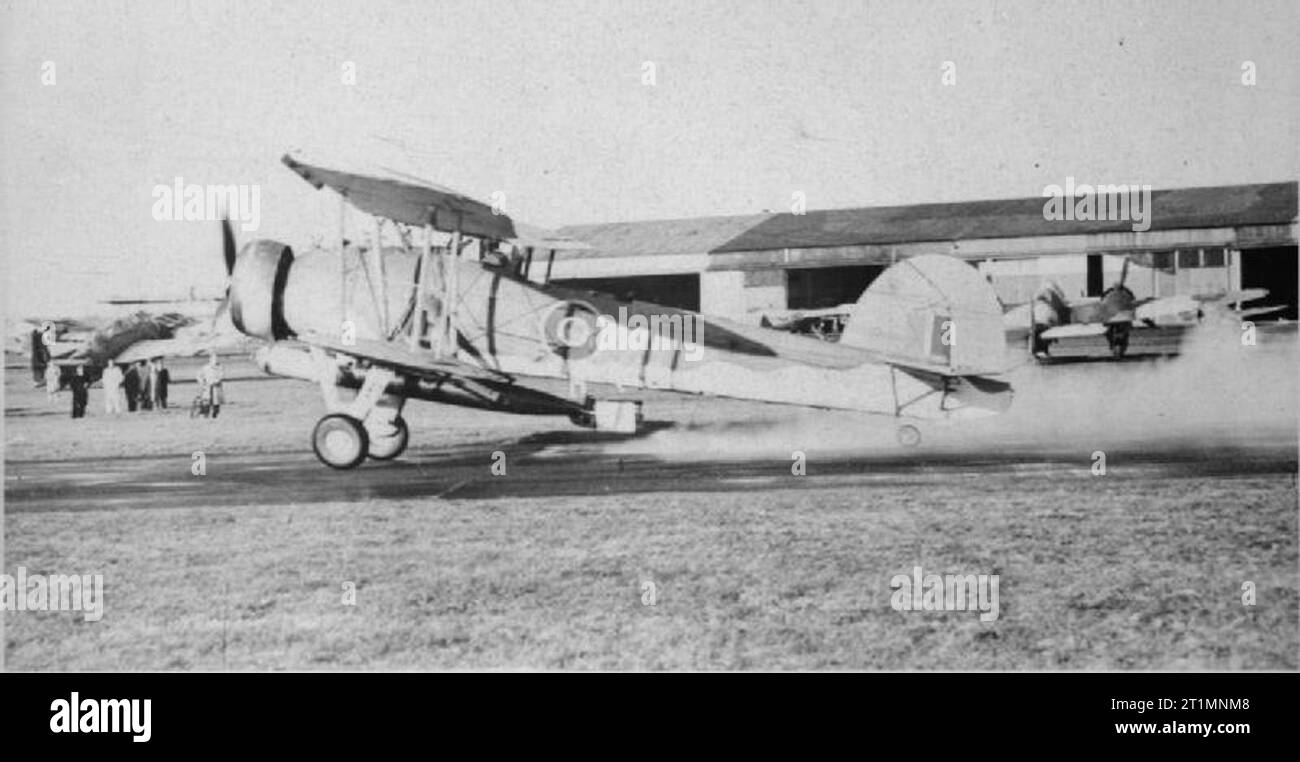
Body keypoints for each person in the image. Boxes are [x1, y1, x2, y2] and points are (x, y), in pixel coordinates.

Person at [198, 352, 225, 418]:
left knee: (216, 401)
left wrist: (216, 381)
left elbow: (221, 376)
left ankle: (215, 414)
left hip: (216, 387)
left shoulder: (220, 367)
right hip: (207, 387)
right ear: (210, 360)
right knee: (206, 400)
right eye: (214, 359)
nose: (215, 361)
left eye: (216, 359)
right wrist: (202, 382)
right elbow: (199, 376)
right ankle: (205, 413)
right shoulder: (205, 367)